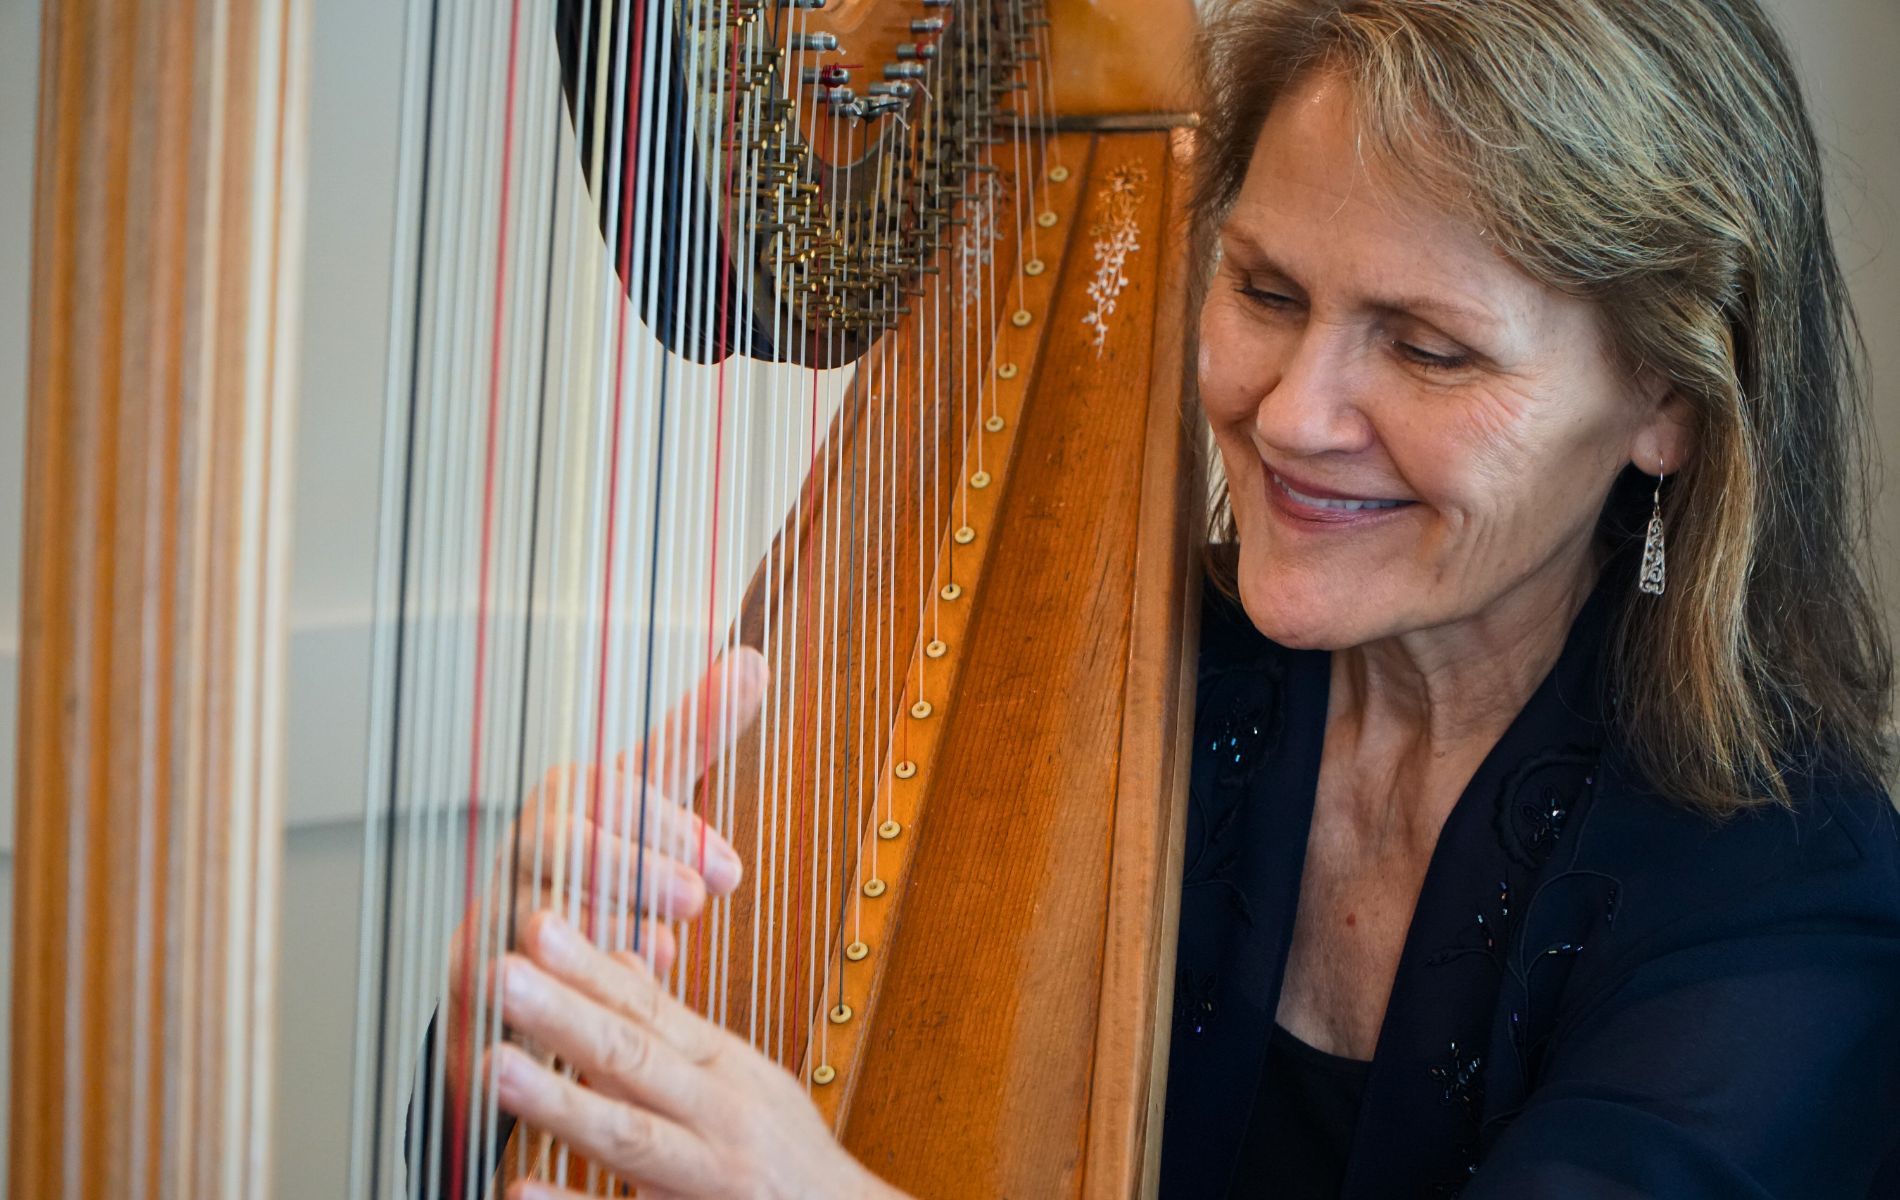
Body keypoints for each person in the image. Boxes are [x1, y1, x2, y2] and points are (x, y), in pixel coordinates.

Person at [457, 1, 1900, 1195]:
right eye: (1268, 292)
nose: (1291, 415)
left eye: (1430, 350)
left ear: (1671, 402)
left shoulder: (1790, 908)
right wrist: (518, 1036)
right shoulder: (1131, 675)